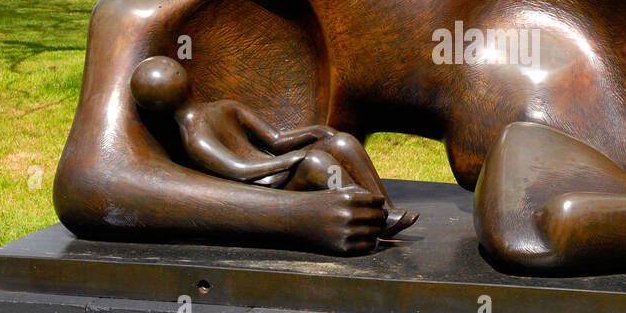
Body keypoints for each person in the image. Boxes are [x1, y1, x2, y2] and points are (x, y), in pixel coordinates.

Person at [129, 56, 417, 240]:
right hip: (267, 185)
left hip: (279, 167)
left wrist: (314, 132)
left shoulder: (225, 108)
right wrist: (291, 161)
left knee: (342, 142)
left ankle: (386, 209)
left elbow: (276, 139)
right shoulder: (195, 138)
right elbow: (241, 172)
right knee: (315, 163)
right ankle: (372, 219)